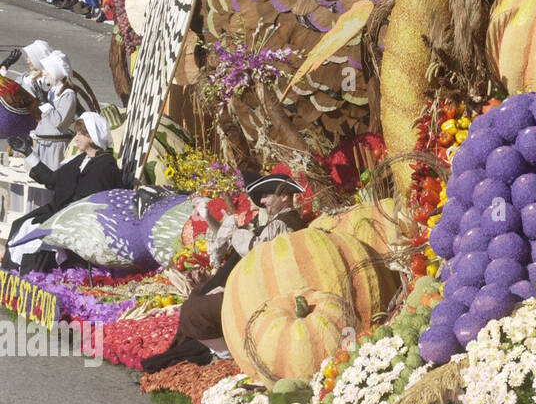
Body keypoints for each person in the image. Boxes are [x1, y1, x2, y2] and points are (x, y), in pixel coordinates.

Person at [142, 174, 308, 371]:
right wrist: (208, 217)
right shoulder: (270, 222)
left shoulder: (287, 223)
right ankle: (191, 353)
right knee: (197, 296)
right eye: (261, 197)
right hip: (243, 284)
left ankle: (229, 353)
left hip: (259, 294)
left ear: (285, 197)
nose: (262, 202)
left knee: (193, 311)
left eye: (266, 196)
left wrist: (228, 288)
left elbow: (261, 254)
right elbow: (232, 239)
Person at [1, 113, 121, 272]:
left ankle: (32, 277)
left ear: (92, 137)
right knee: (23, 225)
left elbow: (95, 203)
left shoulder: (105, 166)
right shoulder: (80, 160)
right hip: (63, 214)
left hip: (81, 221)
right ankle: (12, 275)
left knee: (36, 234)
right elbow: (52, 179)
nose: (75, 138)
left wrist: (63, 215)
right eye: (76, 133)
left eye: (80, 134)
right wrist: (28, 153)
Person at [28, 52, 77, 175]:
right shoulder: (52, 92)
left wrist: (44, 103)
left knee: (49, 183)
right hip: (43, 144)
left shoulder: (68, 95)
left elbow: (57, 121)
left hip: (54, 148)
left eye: (47, 69)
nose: (44, 73)